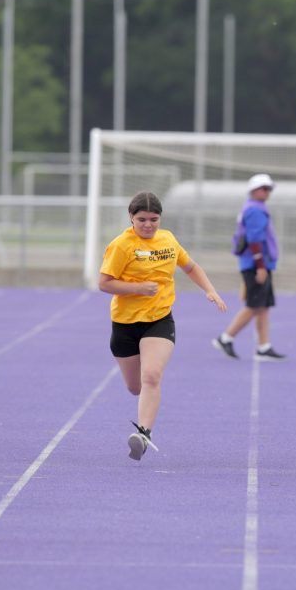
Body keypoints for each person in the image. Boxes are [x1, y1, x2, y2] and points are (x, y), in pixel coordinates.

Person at [99, 191, 227, 461]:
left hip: (159, 320)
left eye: (153, 219)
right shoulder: (121, 245)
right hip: (124, 324)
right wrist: (138, 288)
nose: (148, 225)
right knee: (135, 387)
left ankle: (143, 434)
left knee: (152, 376)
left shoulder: (168, 239)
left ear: (160, 218)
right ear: (131, 218)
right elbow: (104, 283)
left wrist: (210, 290)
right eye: (142, 219)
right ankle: (143, 421)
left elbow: (190, 267)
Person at [212, 173, 286, 361]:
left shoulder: (253, 207)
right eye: (264, 188)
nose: (267, 192)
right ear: (253, 190)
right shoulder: (255, 210)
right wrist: (260, 266)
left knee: (263, 306)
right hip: (256, 265)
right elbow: (255, 240)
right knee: (254, 305)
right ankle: (225, 337)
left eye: (269, 189)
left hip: (256, 264)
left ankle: (264, 346)